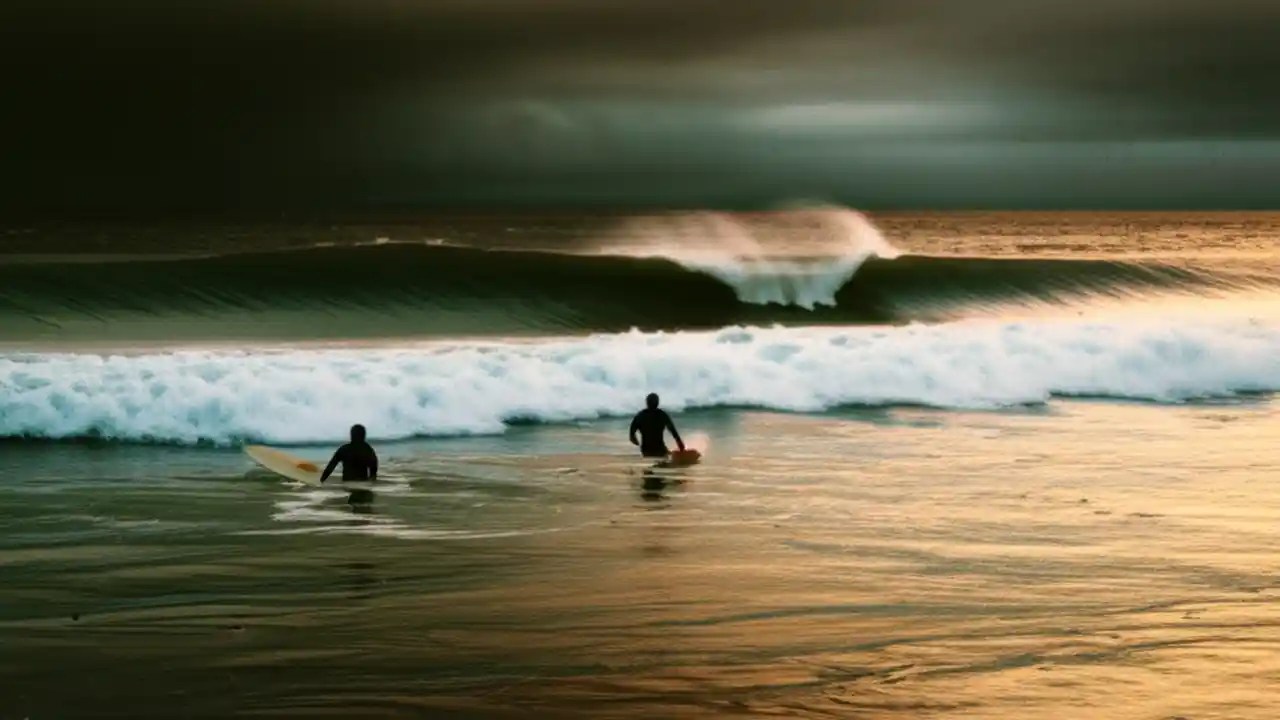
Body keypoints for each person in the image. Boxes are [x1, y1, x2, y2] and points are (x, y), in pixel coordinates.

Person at [629, 393, 685, 458]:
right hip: (660, 449)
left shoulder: (640, 416)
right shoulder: (662, 415)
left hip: (646, 450)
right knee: (667, 456)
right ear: (657, 403)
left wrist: (637, 442)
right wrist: (681, 446)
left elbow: (631, 434)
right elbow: (673, 432)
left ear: (647, 403)